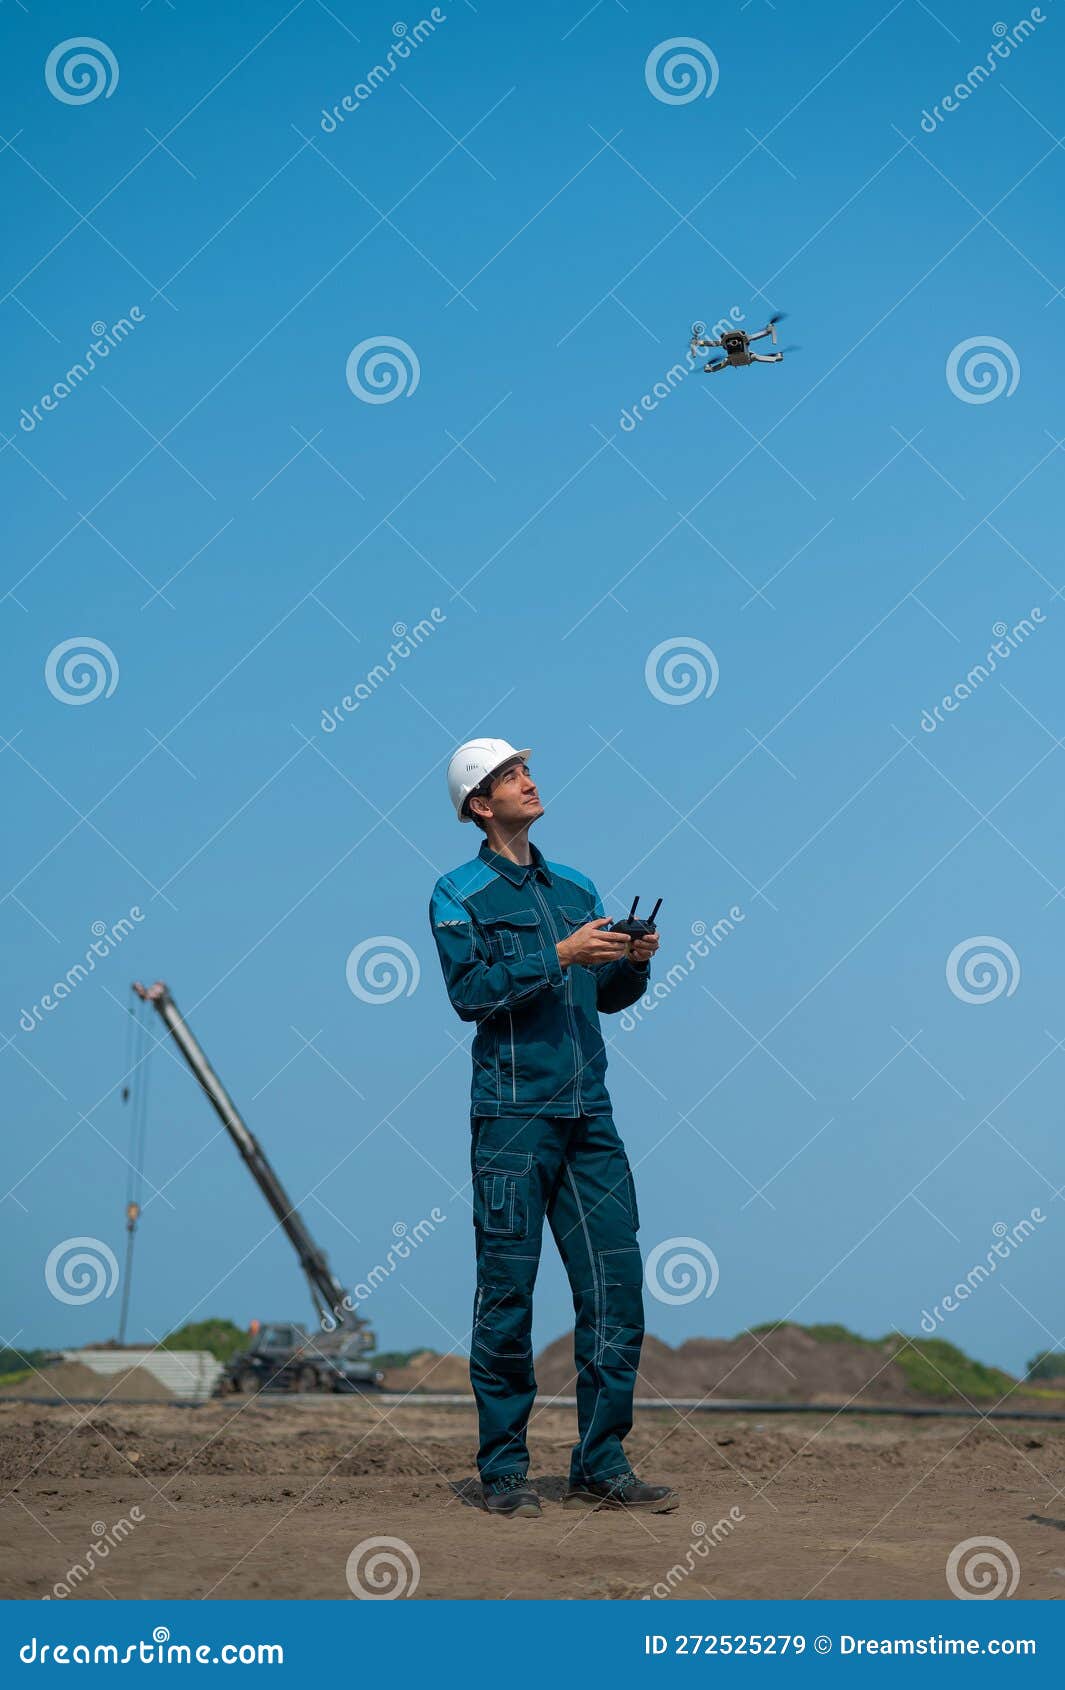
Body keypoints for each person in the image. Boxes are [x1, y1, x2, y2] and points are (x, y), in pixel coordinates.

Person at [429, 737, 677, 1519]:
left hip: (589, 1116)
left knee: (617, 1291)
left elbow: (604, 997)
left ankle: (599, 1464)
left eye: (526, 770)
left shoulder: (575, 886)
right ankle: (503, 1472)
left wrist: (631, 961)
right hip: (510, 1118)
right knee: (506, 1294)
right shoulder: (456, 892)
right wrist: (559, 953)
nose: (527, 781)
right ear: (479, 803)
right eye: (509, 776)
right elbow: (471, 993)